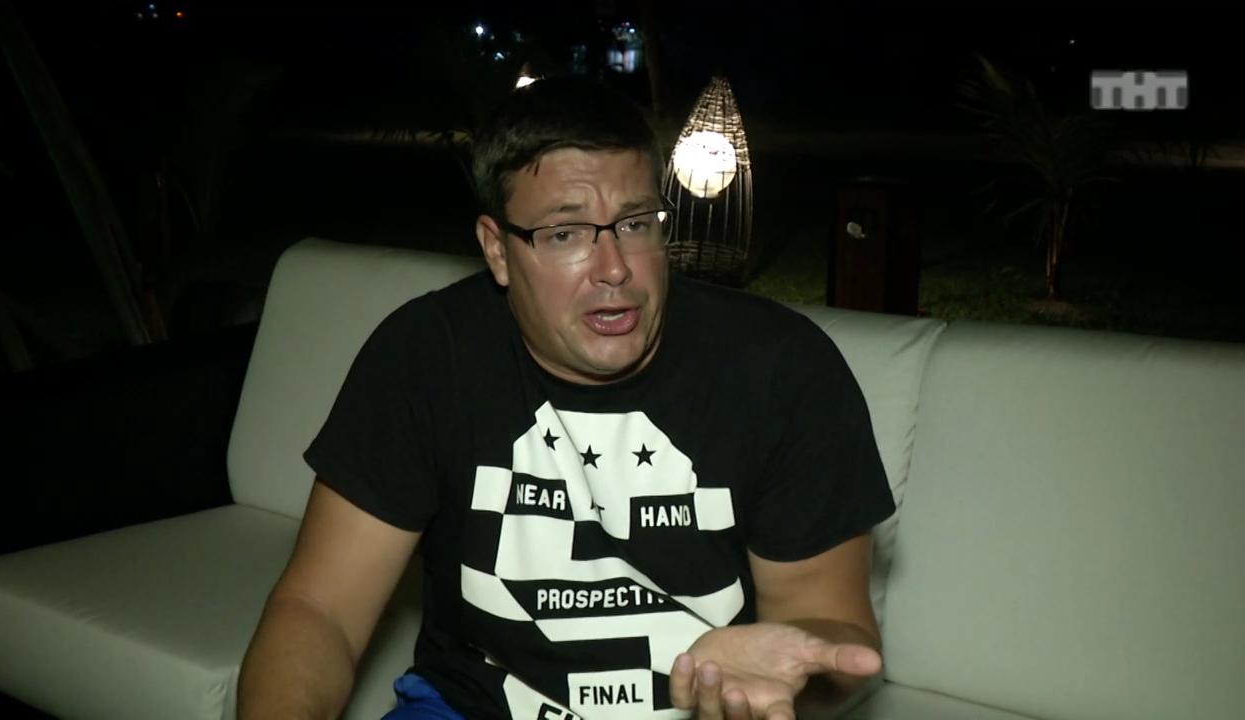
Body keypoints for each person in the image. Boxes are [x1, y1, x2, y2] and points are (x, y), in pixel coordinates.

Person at [238, 75, 896, 720]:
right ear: (496, 250)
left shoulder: (781, 369)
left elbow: (833, 631)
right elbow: (321, 610)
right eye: (565, 234)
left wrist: (791, 676)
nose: (615, 269)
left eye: (635, 224)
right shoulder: (426, 356)